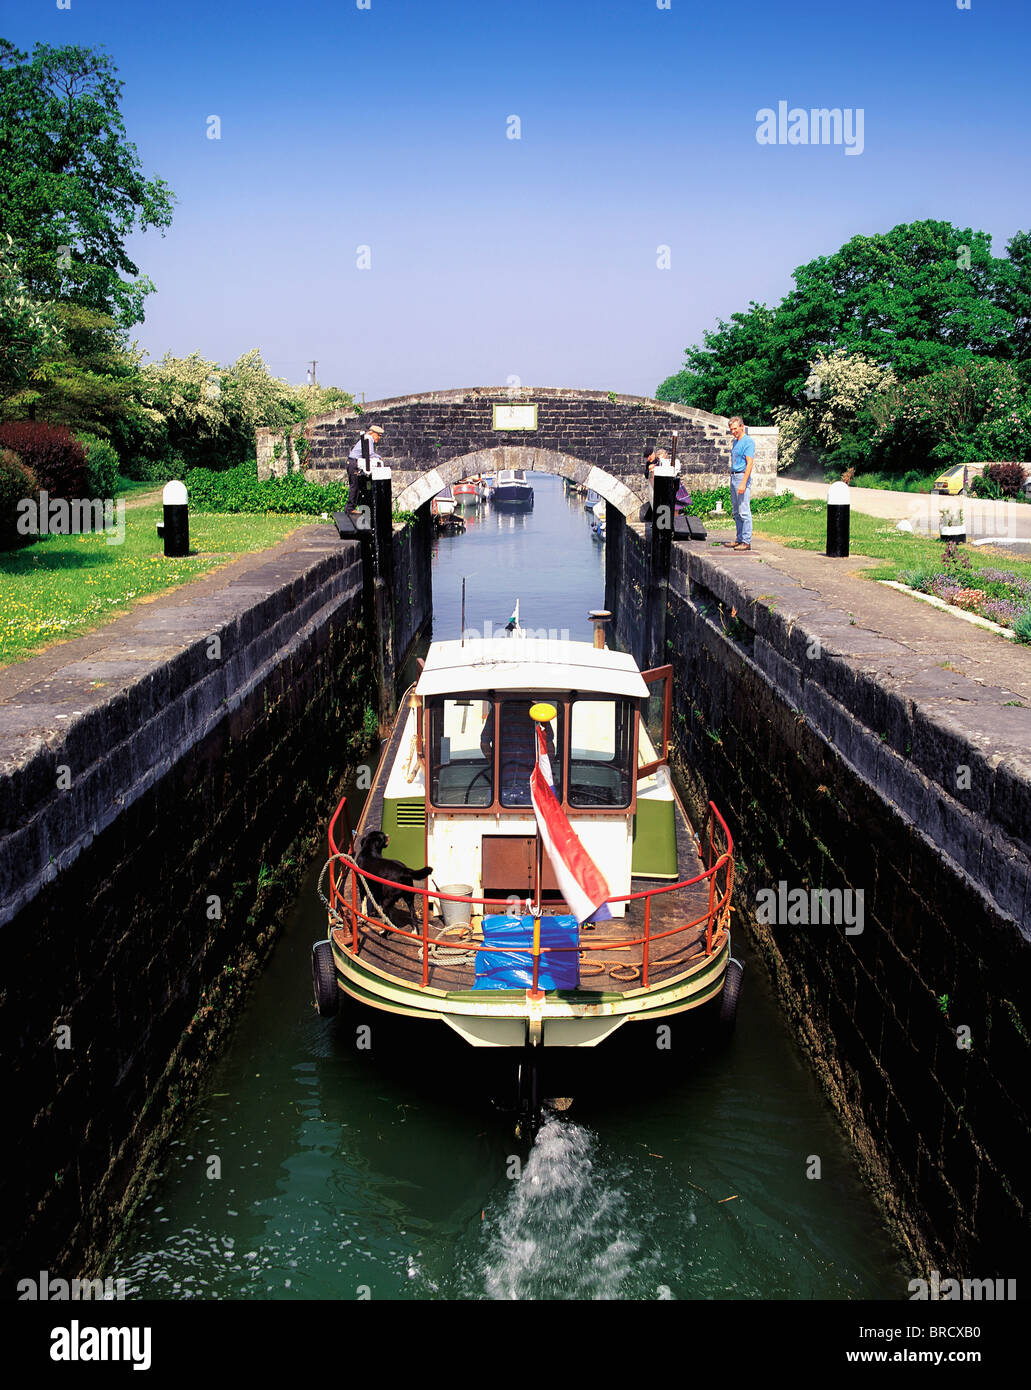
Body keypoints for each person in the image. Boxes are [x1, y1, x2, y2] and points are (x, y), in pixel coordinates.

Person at [726, 416, 755, 551]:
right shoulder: (735, 442)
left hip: (741, 477)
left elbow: (749, 463)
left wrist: (743, 483)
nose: (733, 432)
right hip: (734, 477)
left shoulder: (748, 442)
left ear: (742, 427)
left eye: (735, 429)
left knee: (744, 511)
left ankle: (746, 541)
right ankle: (739, 539)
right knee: (736, 511)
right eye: (731, 429)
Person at [346, 425, 384, 516]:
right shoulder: (369, 439)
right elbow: (370, 454)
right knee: (354, 486)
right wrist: (380, 458)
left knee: (357, 486)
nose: (379, 438)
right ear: (373, 433)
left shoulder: (367, 439)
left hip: (352, 462)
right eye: (378, 435)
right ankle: (350, 509)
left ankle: (352, 507)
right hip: (353, 463)